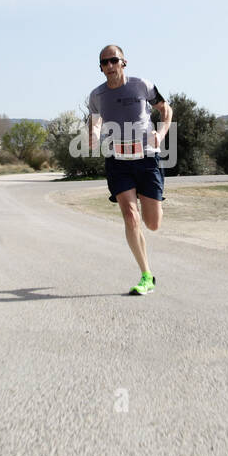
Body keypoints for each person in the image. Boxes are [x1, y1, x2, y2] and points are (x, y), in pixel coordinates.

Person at [88, 44, 172, 295]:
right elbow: (94, 120)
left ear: (124, 62)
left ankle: (150, 202)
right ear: (101, 68)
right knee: (129, 216)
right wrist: (93, 133)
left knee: (153, 223)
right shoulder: (97, 95)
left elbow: (166, 109)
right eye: (104, 62)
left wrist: (161, 133)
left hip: (147, 158)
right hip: (118, 160)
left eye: (114, 60)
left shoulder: (142, 85)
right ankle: (147, 276)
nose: (109, 66)